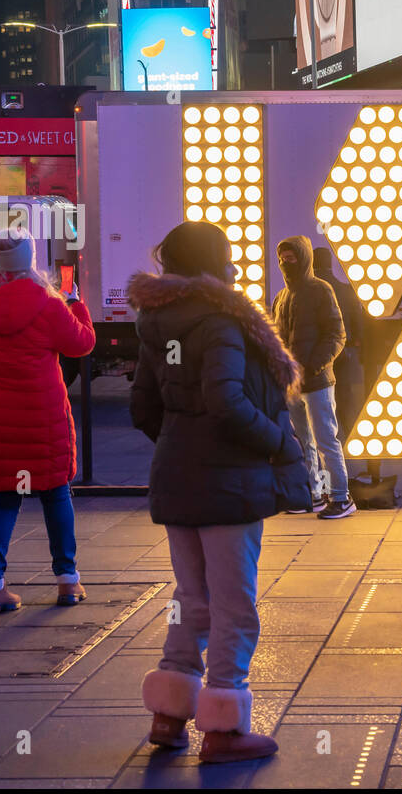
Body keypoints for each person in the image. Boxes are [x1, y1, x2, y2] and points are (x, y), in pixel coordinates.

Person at [129, 222, 302, 764]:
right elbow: (227, 401)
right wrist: (277, 442)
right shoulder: (220, 319)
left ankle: (170, 712)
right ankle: (224, 727)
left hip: (178, 476)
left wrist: (181, 443)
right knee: (233, 603)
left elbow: (143, 406)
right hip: (228, 480)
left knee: (191, 598)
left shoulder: (157, 320)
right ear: (215, 262)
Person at [0, 228, 96, 616]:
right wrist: (77, 305)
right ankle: (67, 581)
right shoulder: (49, 302)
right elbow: (82, 344)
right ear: (31, 258)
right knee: (56, 495)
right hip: (41, 413)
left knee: (5, 498)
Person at [273, 234, 355, 519]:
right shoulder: (282, 296)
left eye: (291, 257)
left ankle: (341, 497)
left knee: (324, 440)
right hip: (294, 383)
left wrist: (313, 366)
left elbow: (336, 334)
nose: (285, 263)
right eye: (282, 258)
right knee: (305, 441)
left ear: (304, 258)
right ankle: (315, 494)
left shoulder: (321, 290)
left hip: (317, 381)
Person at [311, 246, 367, 441]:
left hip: (317, 353)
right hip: (344, 351)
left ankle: (327, 440)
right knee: (346, 399)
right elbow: (358, 321)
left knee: (319, 400)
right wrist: (354, 343)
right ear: (330, 263)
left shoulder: (308, 290)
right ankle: (353, 439)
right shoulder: (345, 289)